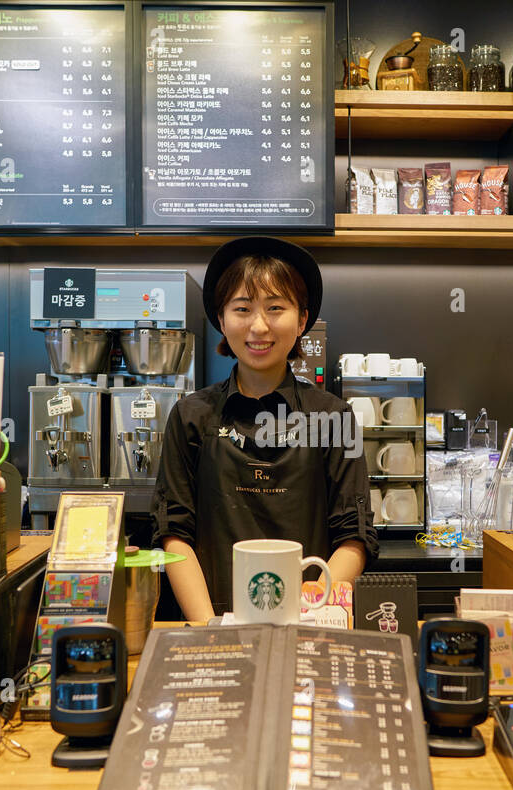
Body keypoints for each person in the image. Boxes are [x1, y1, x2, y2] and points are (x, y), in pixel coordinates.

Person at [151, 236, 377, 620]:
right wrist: (211, 628)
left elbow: (354, 536)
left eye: (275, 308)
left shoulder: (335, 417)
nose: (258, 326)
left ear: (302, 320)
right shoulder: (190, 415)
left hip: (307, 623)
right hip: (214, 625)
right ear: (221, 320)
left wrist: (306, 612)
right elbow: (174, 532)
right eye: (242, 308)